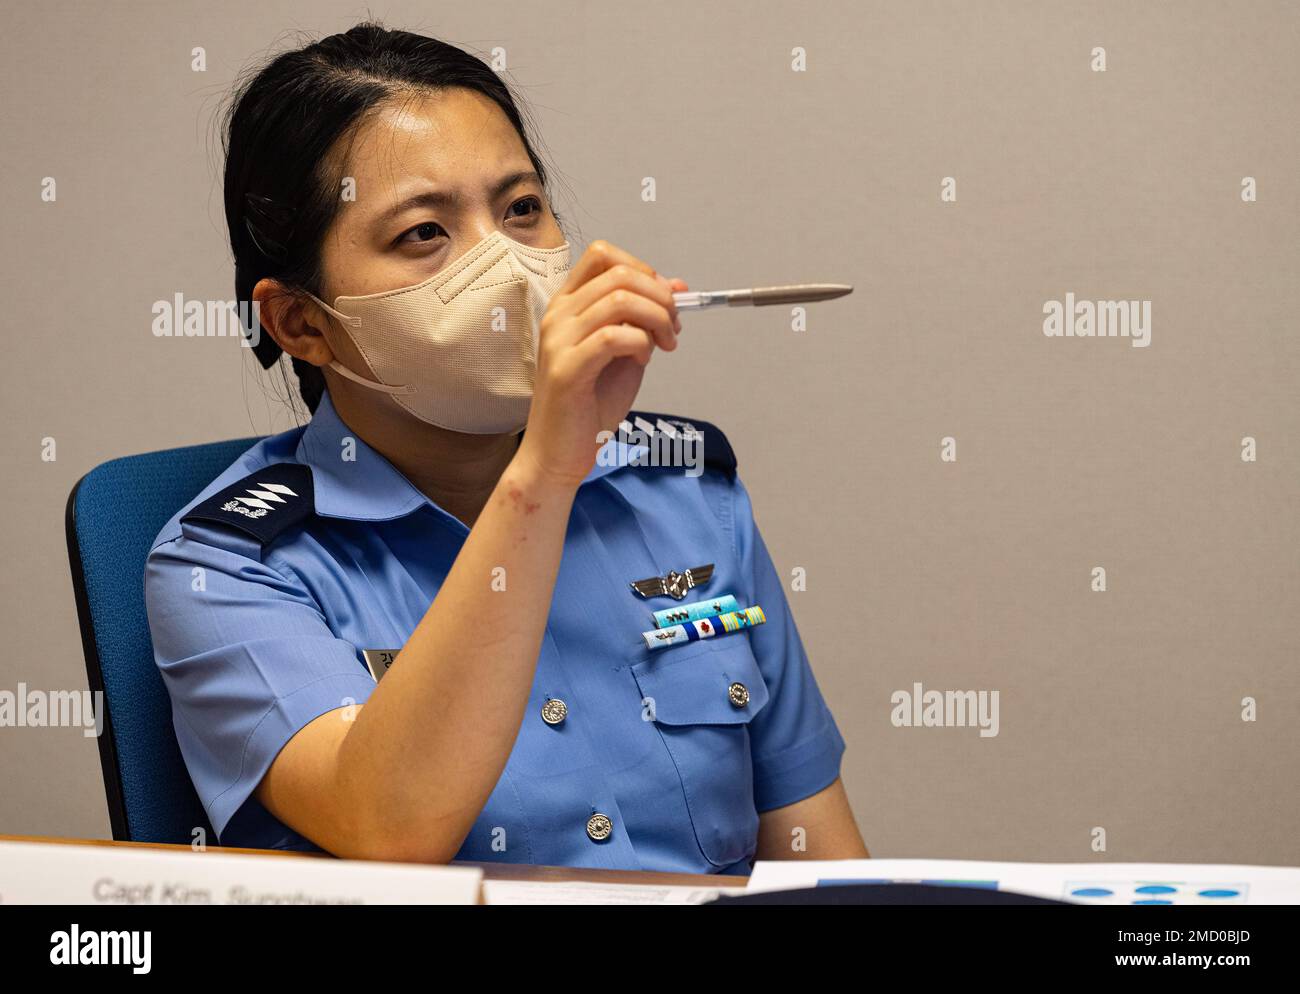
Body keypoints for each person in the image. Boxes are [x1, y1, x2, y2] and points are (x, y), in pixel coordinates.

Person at [144, 21, 869, 875]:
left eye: (521, 210)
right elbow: (387, 824)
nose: (506, 267)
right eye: (423, 232)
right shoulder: (226, 567)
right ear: (302, 324)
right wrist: (545, 474)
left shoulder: (688, 496)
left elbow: (821, 863)